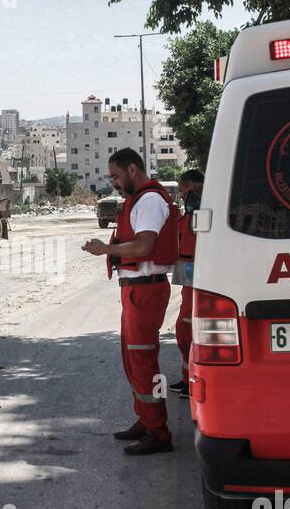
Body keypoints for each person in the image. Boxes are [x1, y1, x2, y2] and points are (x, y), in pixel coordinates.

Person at [82, 148, 180, 455]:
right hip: (136, 290)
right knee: (133, 360)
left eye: (115, 175)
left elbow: (143, 246)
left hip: (146, 290)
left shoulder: (149, 200)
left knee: (143, 361)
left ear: (132, 169)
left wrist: (105, 250)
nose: (113, 182)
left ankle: (158, 431)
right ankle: (146, 419)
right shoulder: (140, 200)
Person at [171, 169, 204, 398]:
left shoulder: (205, 208)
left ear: (192, 186)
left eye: (183, 190)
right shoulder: (193, 211)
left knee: (187, 329)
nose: (181, 195)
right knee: (184, 329)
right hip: (188, 273)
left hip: (197, 274)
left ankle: (193, 381)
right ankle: (187, 379)